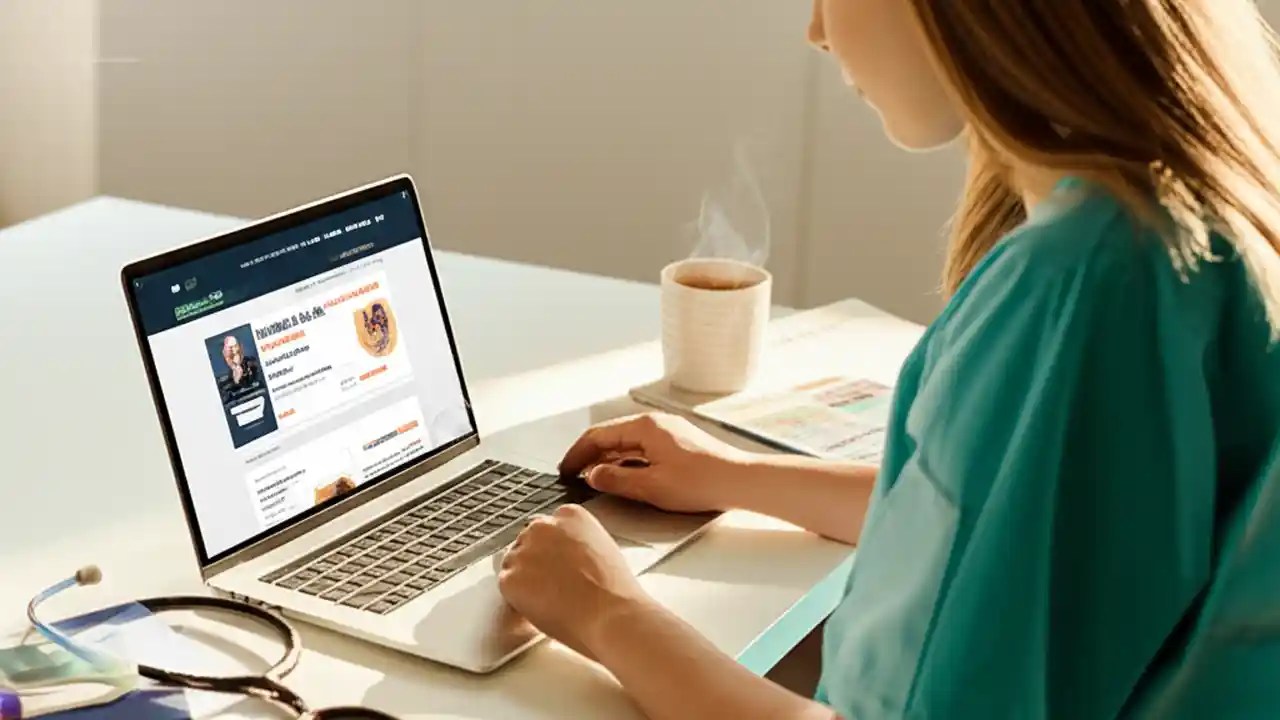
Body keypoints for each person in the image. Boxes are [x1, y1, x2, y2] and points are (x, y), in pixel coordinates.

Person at [496, 1, 1280, 718]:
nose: (817, 31)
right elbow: (1003, 522)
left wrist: (607, 613)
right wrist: (733, 474)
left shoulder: (1080, 284)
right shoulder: (1179, 229)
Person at [216, 334, 264, 405]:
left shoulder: (251, 364)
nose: (232, 350)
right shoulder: (223, 383)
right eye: (229, 349)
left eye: (234, 347)